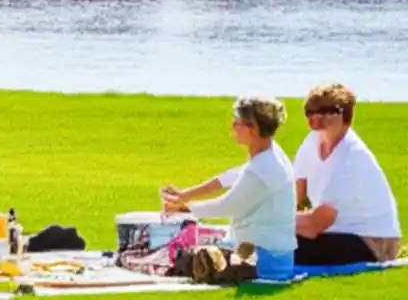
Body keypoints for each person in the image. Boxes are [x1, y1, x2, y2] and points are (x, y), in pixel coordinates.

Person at [161, 96, 296, 282]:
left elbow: (228, 206)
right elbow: (231, 177)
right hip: (267, 253)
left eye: (238, 121)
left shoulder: (265, 168)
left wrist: (184, 208)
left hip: (265, 260)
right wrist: (185, 194)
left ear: (253, 128)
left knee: (178, 259)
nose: (233, 125)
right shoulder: (270, 153)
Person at [293, 83, 401, 265]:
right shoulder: (313, 141)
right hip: (333, 231)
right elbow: (296, 191)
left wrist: (268, 224)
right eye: (310, 111)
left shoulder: (352, 156)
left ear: (345, 116)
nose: (316, 117)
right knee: (276, 241)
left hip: (372, 242)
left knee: (284, 247)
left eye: (327, 111)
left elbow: (316, 224)